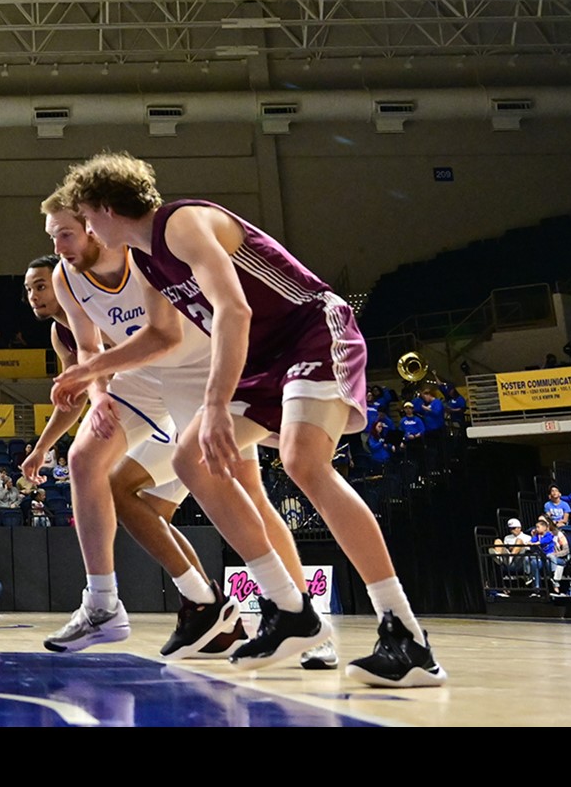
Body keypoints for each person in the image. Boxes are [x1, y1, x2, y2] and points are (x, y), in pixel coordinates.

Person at [55, 152, 445, 687]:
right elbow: (160, 336)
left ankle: (404, 633)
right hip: (261, 361)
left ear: (105, 208)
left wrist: (216, 404)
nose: (87, 230)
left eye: (85, 217)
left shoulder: (182, 222)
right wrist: (89, 370)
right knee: (192, 460)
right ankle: (291, 609)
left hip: (310, 330)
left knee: (304, 463)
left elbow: (234, 310)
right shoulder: (147, 260)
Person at [37, 205, 320, 663]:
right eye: (52, 236)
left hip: (200, 370)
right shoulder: (65, 277)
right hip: (140, 375)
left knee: (248, 492)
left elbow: (163, 336)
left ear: (92, 226)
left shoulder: (144, 255)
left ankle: (301, 617)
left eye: (65, 234)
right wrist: (99, 393)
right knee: (84, 459)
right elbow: (88, 346)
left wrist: (91, 372)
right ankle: (103, 604)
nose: (57, 247)